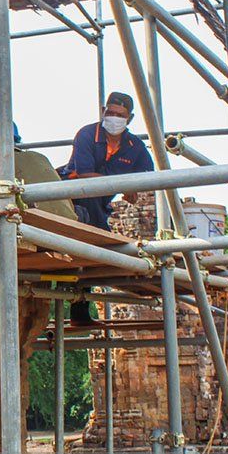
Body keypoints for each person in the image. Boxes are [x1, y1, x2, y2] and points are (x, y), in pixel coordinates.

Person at [58, 90, 154, 323]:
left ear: (128, 119)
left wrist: (134, 188)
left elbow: (150, 175)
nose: (113, 118)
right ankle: (104, 247)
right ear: (104, 112)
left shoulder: (134, 146)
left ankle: (80, 311)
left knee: (86, 255)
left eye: (119, 115)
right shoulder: (88, 135)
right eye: (110, 112)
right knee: (89, 240)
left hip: (100, 204)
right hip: (75, 197)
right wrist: (123, 185)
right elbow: (83, 175)